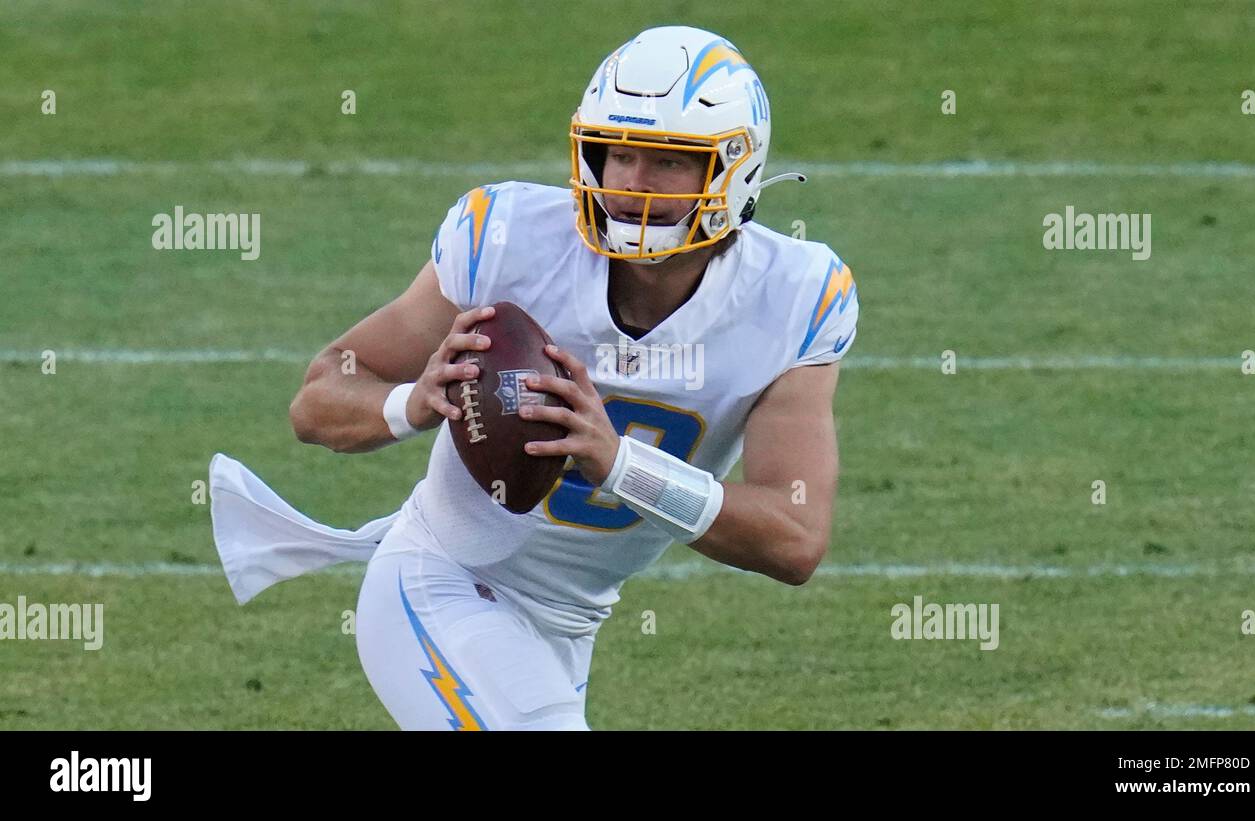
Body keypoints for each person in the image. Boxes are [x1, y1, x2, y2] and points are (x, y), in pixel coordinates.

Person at [210, 24, 858, 730]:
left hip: (566, 627)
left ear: (733, 170)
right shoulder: (510, 238)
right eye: (618, 153)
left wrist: (620, 464)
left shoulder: (794, 295)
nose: (631, 185)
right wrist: (409, 402)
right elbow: (319, 396)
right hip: (441, 581)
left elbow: (794, 538)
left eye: (669, 162)